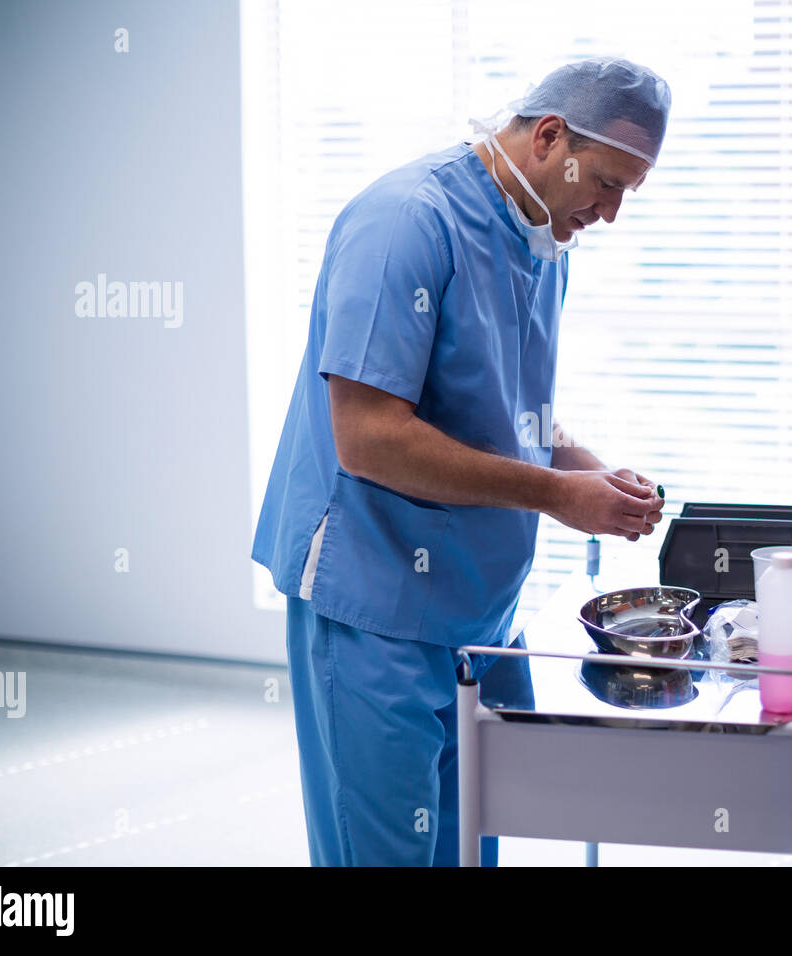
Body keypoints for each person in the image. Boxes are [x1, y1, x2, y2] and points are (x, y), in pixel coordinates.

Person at [251, 56, 671, 866]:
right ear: (552, 136)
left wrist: (593, 473)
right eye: (609, 184)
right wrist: (556, 494)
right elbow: (369, 435)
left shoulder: (544, 238)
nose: (611, 214)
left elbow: (502, 409)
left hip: (479, 611)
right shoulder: (406, 222)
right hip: (375, 601)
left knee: (464, 847)